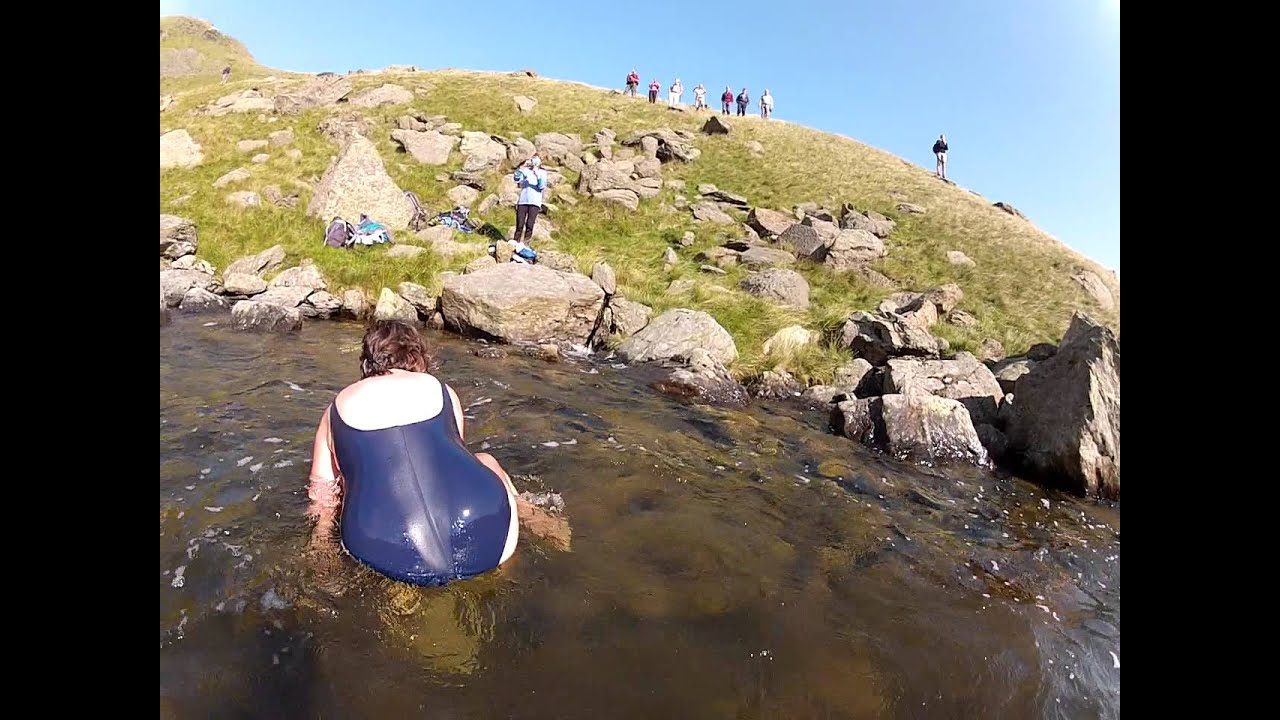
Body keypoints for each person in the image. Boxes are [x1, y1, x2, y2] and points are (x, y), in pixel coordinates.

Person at [306, 320, 521, 586]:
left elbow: (322, 492)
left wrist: (321, 542)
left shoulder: (335, 409)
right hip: (483, 516)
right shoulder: (442, 390)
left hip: (382, 538)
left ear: (367, 361)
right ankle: (539, 518)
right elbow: (450, 468)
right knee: (484, 460)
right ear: (418, 355)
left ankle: (402, 596)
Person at [512, 154, 548, 244]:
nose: (534, 160)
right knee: (520, 224)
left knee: (529, 224)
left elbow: (542, 186)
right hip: (523, 201)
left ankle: (526, 244)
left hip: (534, 202)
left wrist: (537, 174)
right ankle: (515, 243)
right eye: (533, 158)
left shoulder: (543, 173)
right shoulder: (526, 171)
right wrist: (520, 169)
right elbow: (517, 179)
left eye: (537, 159)